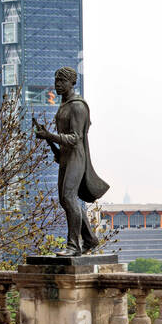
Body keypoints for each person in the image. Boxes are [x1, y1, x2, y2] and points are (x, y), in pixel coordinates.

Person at [32, 66, 110, 255]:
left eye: (62, 81)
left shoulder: (77, 106)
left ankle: (73, 246)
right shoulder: (64, 105)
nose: (58, 85)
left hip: (76, 157)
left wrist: (50, 135)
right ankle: (90, 239)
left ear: (72, 83)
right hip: (66, 156)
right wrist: (49, 139)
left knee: (68, 197)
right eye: (56, 81)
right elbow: (64, 137)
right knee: (65, 200)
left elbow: (75, 138)